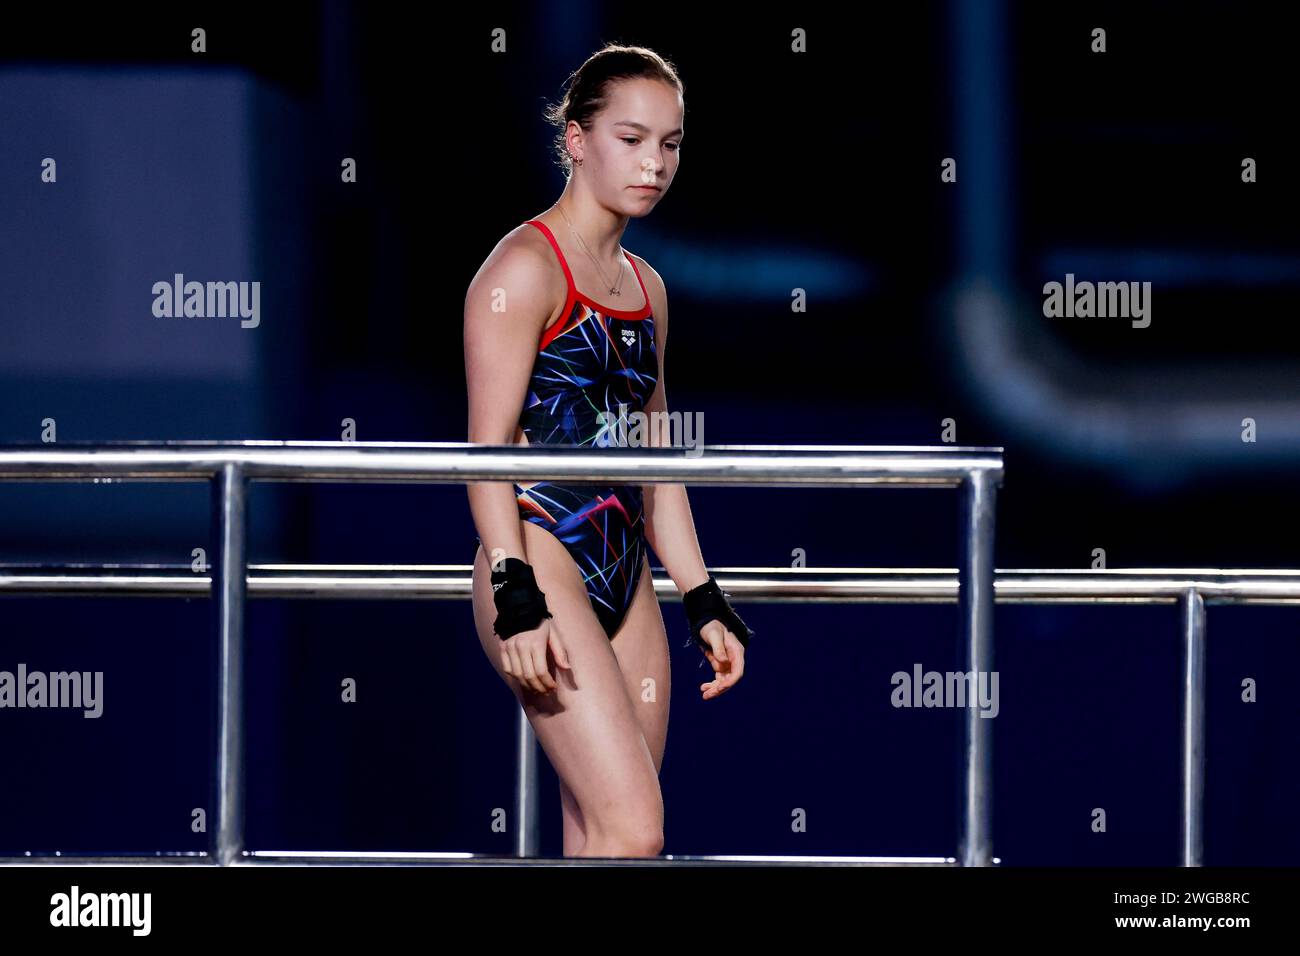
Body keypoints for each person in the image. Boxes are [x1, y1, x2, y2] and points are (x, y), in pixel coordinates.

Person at [463, 44, 754, 859]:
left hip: (625, 574)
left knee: (602, 841)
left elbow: (656, 459)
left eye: (670, 143)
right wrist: (515, 591)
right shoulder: (522, 269)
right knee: (636, 830)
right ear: (576, 140)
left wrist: (701, 595)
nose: (654, 163)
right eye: (631, 140)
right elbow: (485, 451)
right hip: (538, 555)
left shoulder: (647, 288)